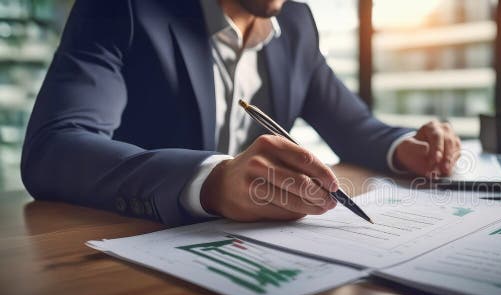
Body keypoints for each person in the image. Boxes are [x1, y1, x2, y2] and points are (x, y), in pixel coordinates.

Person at [21, 0, 461, 226]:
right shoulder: (125, 8)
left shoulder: (297, 24)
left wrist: (406, 146)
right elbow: (53, 147)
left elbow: (354, 127)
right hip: (131, 249)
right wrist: (211, 180)